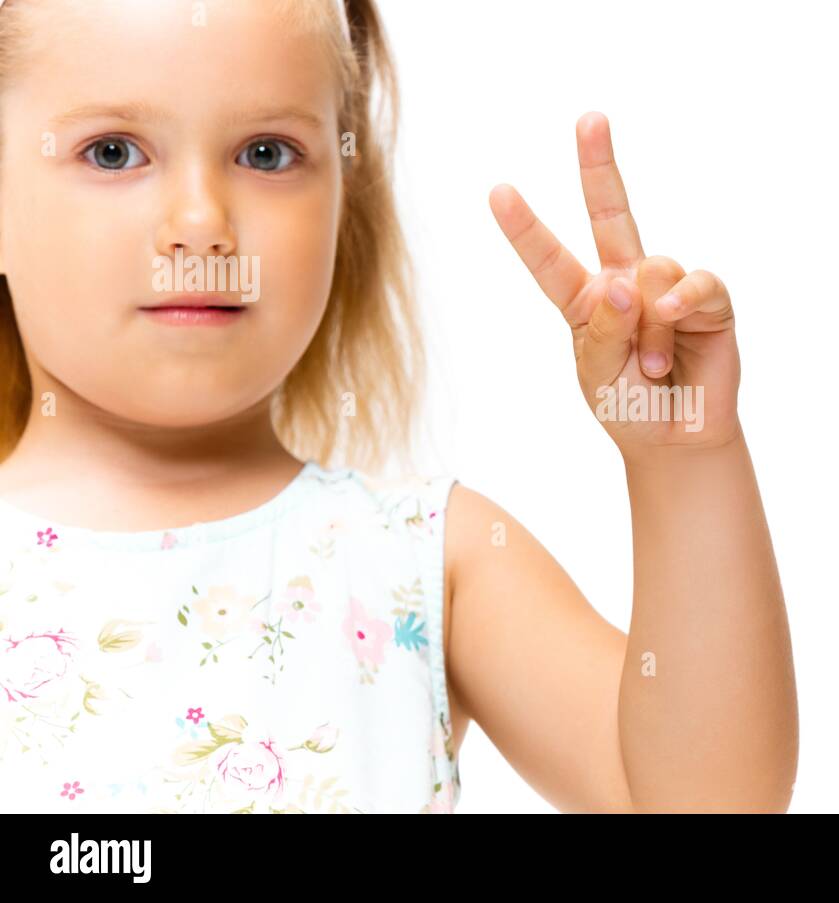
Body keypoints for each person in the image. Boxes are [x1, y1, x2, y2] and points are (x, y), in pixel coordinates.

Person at [0, 0, 796, 813]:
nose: (202, 223)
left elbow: (707, 802)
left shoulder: (426, 562)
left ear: (345, 191)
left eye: (266, 153)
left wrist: (686, 463)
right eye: (113, 152)